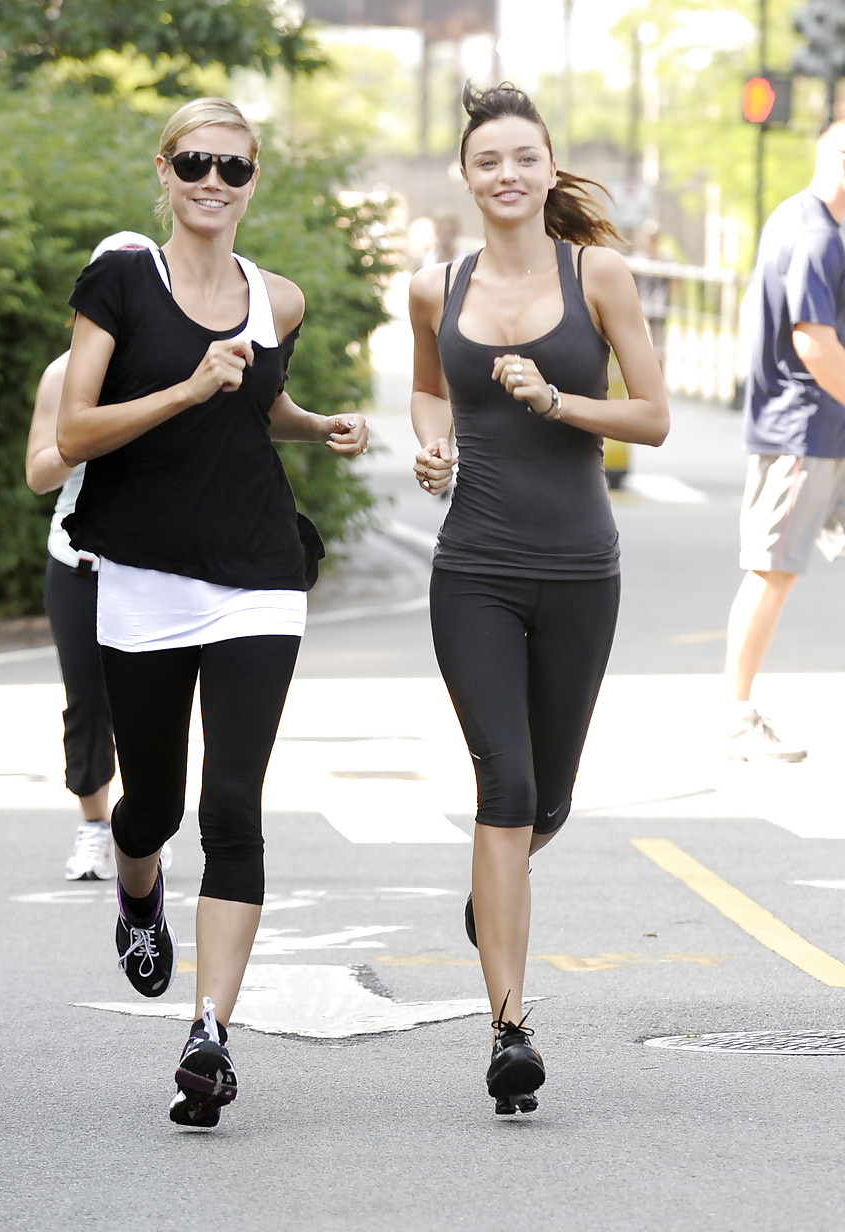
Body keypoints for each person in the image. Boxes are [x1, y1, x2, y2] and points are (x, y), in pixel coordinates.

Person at [57, 97, 367, 1128]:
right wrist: (185, 390)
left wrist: (312, 422)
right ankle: (139, 891)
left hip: (258, 571)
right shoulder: (120, 280)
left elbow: (260, 401)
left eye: (232, 167)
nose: (211, 182)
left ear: (252, 179)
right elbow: (75, 428)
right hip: (143, 574)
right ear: (164, 167)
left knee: (233, 806)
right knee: (154, 805)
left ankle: (210, 1034)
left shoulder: (277, 298)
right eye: (194, 162)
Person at [409, 82, 668, 1117]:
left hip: (578, 571)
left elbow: (648, 417)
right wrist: (433, 443)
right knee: (503, 787)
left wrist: (558, 400)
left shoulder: (596, 272)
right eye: (487, 160)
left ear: (547, 165)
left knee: (546, 801)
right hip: (470, 566)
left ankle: (495, 882)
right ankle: (509, 1028)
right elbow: (430, 387)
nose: (505, 173)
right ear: (465, 178)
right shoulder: (436, 287)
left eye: (523, 156)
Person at [25, 231, 175, 882]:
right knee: (88, 702)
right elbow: (38, 473)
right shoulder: (64, 374)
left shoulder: (177, 367)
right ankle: (92, 826)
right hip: (79, 563)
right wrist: (83, 440)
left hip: (155, 565)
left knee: (154, 705)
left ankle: (144, 825)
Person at [724, 123, 845, 763]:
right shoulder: (818, 236)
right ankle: (737, 717)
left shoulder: (791, 218)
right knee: (772, 569)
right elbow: (814, 342)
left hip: (817, 426)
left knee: (776, 568)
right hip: (805, 429)